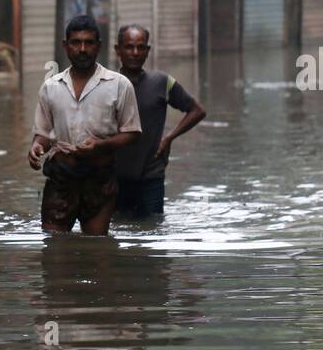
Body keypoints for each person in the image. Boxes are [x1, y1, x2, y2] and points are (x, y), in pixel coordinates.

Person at [28, 14, 142, 235]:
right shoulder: (51, 87)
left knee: (97, 251)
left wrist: (101, 145)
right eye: (76, 43)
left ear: (98, 46)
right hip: (61, 179)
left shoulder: (119, 85)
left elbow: (132, 132)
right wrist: (36, 148)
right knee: (54, 252)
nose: (82, 49)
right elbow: (42, 133)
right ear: (66, 46)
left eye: (88, 43)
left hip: (99, 180)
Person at [110, 25, 206, 218]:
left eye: (140, 47)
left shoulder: (161, 82)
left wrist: (169, 138)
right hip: (113, 177)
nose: (135, 53)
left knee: (152, 231)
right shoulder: (106, 84)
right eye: (129, 47)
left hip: (151, 177)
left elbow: (197, 111)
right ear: (118, 50)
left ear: (148, 51)